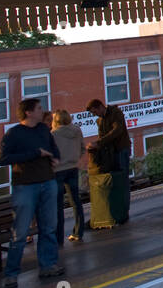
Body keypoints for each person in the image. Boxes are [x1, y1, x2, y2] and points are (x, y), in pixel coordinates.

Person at [0, 97, 64, 288]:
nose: (42, 111)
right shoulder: (13, 134)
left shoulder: (44, 130)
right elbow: (3, 159)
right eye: (39, 108)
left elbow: (54, 149)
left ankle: (48, 265)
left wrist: (56, 159)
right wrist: (36, 153)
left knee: (49, 227)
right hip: (25, 185)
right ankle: (11, 274)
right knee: (20, 232)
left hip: (47, 181)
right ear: (28, 112)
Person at [86, 100, 131, 228]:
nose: (96, 115)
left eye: (95, 112)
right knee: (115, 181)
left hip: (121, 149)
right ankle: (117, 211)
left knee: (123, 179)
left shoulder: (116, 113)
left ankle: (124, 211)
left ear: (100, 107)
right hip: (110, 154)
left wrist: (99, 143)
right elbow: (103, 136)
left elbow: (117, 130)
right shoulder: (100, 121)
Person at [52, 109, 86, 244]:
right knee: (76, 201)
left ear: (56, 120)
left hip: (58, 170)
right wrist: (75, 157)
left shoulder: (53, 134)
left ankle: (58, 238)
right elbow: (83, 148)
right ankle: (78, 232)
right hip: (73, 168)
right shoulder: (77, 131)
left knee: (58, 205)